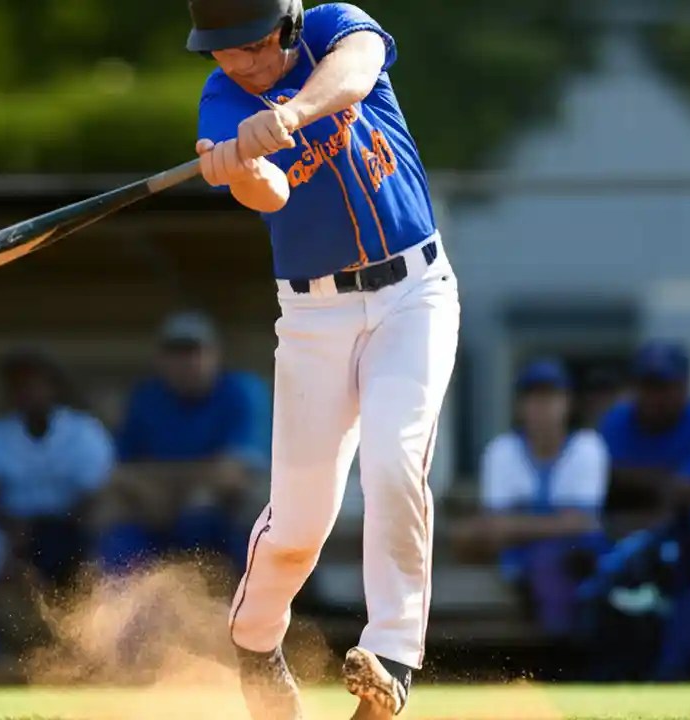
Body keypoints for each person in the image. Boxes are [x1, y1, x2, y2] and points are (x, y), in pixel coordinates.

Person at [187, 1, 460, 716]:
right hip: (316, 315)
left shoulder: (335, 27)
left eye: (250, 46)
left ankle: (393, 657)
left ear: (285, 24)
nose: (239, 63)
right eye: (224, 51)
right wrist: (238, 163)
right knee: (300, 524)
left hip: (414, 292)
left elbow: (359, 69)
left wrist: (289, 113)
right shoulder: (222, 98)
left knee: (395, 462)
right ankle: (254, 638)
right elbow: (268, 193)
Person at [580, 341, 690, 681]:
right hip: (647, 538)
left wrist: (656, 488)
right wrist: (666, 488)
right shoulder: (616, 423)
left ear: (685, 386)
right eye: (647, 385)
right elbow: (672, 490)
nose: (655, 396)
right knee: (610, 581)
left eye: (664, 386)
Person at [0, 349, 115, 660]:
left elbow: (98, 496)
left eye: (35, 383)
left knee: (90, 541)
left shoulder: (83, 432)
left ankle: (80, 637)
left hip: (69, 527)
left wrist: (46, 533)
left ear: (54, 387)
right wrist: (14, 533)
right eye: (18, 385)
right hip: (9, 528)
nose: (27, 392)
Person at [452, 360, 610, 639]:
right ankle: (562, 659)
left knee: (560, 565)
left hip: (580, 555)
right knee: (543, 565)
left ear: (567, 403)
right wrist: (555, 523)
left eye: (551, 397)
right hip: (520, 559)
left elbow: (583, 524)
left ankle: (570, 658)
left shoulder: (587, 446)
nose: (543, 407)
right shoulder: (502, 450)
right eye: (534, 398)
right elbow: (495, 527)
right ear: (521, 405)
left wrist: (518, 526)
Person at [101, 313, 268, 572]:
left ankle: (238, 603)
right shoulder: (147, 397)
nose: (185, 362)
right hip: (157, 503)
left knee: (203, 506)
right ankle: (122, 605)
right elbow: (120, 471)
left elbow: (231, 473)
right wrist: (155, 489)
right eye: (175, 353)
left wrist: (166, 482)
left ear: (215, 354)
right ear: (160, 359)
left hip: (221, 505)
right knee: (112, 515)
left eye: (193, 351)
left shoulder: (241, 390)